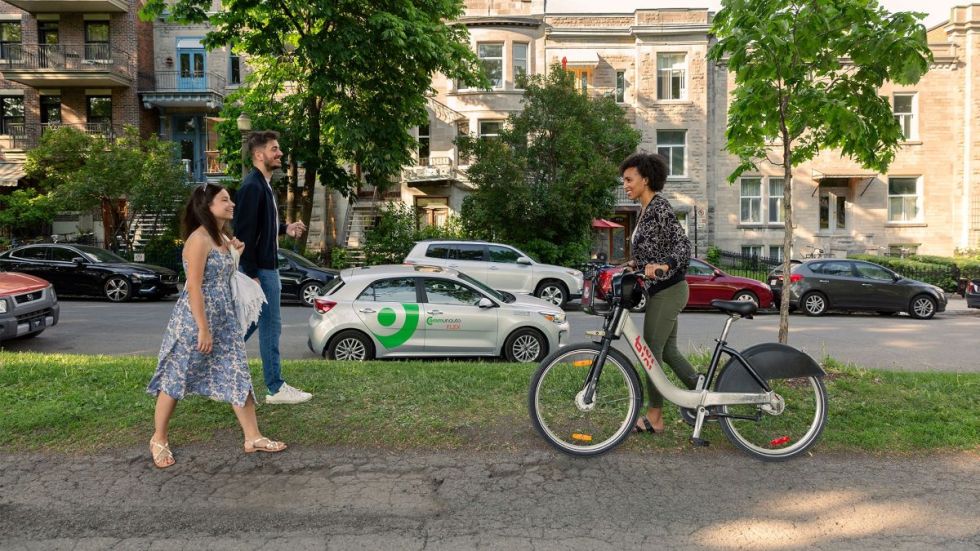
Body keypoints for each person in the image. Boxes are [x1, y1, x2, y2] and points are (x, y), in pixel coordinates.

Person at [147, 183, 286, 468]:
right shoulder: (198, 239)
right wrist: (203, 328)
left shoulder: (222, 236)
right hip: (195, 320)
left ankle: (253, 437)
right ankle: (158, 438)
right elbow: (194, 287)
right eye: (224, 200)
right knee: (177, 375)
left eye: (230, 199)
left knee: (238, 374)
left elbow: (225, 276)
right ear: (207, 206)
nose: (231, 204)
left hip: (224, 318)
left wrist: (236, 252)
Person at [620, 152, 700, 434]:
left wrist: (664, 266)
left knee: (649, 352)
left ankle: (655, 417)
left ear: (645, 179)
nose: (625, 185)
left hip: (670, 290)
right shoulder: (644, 211)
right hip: (661, 290)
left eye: (629, 180)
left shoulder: (659, 207)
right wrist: (632, 265)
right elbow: (650, 252)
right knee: (667, 351)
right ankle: (703, 394)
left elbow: (682, 247)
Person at [233, 130, 312, 405]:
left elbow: (261, 227)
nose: (279, 153)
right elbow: (242, 235)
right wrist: (252, 274)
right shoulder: (252, 187)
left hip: (267, 268)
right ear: (259, 154)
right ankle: (276, 387)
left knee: (259, 325)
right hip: (261, 271)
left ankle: (214, 363)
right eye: (274, 149)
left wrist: (284, 228)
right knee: (268, 326)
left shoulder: (264, 186)